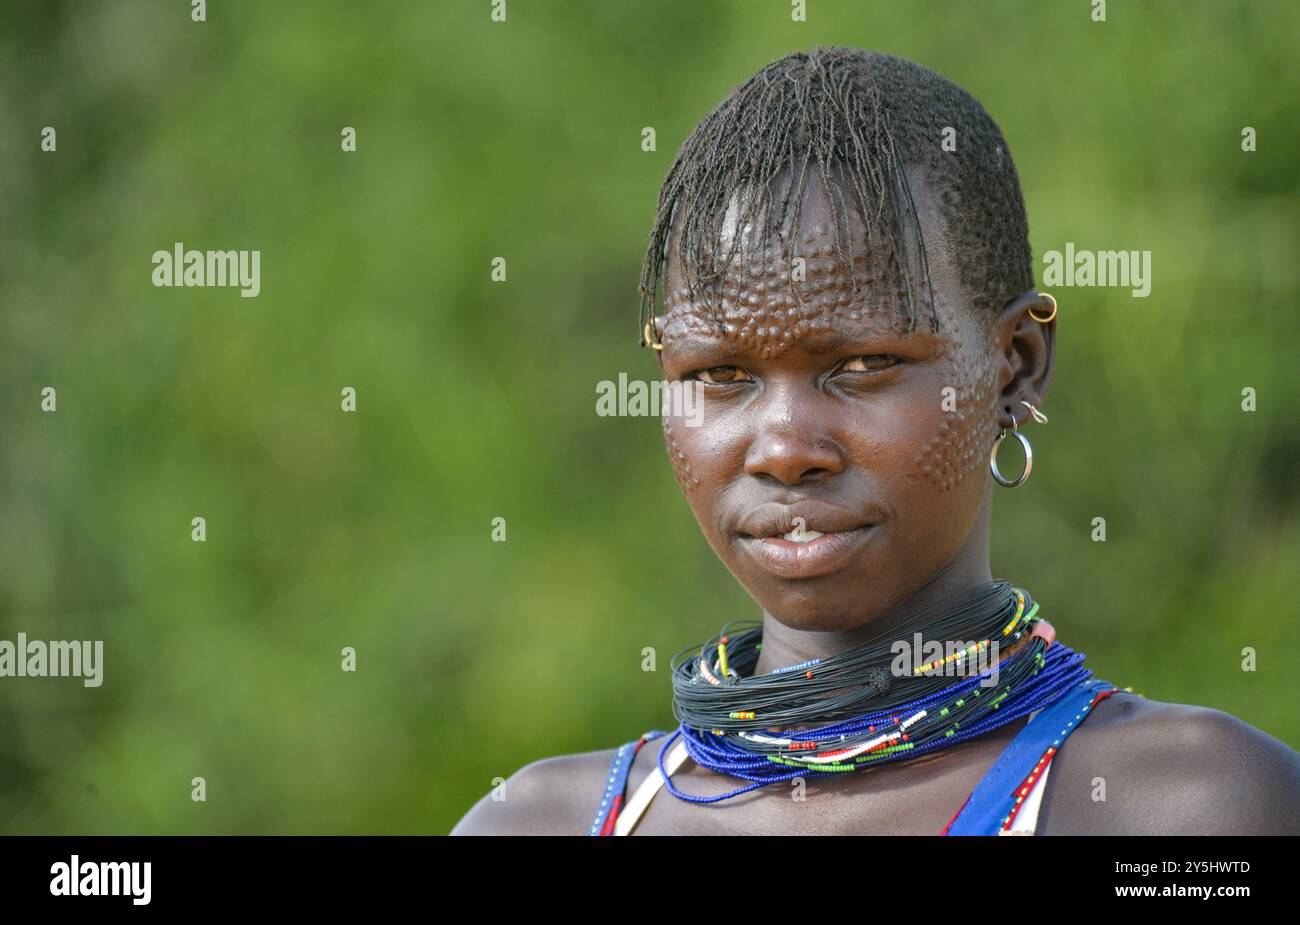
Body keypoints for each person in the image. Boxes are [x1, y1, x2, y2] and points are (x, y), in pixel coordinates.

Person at [452, 46, 1300, 835]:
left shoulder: (1190, 808)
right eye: (720, 374)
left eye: (862, 364)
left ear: (1015, 368)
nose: (784, 448)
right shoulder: (537, 823)